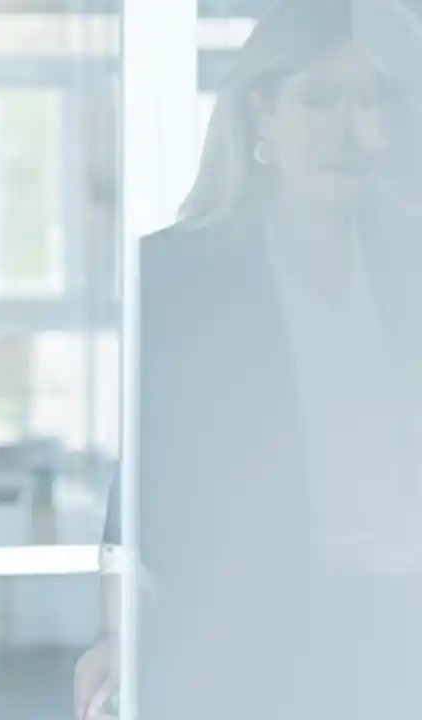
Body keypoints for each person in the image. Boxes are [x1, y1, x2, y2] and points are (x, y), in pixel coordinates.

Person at [74, 0, 421, 718]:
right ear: (262, 114)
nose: (351, 133)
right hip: (253, 648)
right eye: (319, 100)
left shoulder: (410, 263)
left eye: (369, 103)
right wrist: (117, 634)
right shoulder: (179, 275)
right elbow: (143, 484)